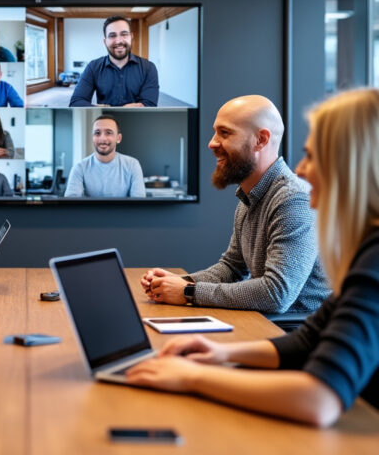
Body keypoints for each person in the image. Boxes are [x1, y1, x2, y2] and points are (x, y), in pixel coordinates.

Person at [126, 88, 379, 426]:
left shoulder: (301, 204)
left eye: (313, 156)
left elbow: (318, 398)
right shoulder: (365, 250)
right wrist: (219, 352)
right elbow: (307, 340)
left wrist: (192, 375)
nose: (301, 169)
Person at [140, 95, 330, 313]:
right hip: (268, 323)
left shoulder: (294, 199)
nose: (212, 143)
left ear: (261, 140)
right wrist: (178, 283)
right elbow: (231, 268)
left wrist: (188, 291)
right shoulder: (250, 197)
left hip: (296, 328)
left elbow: (276, 294)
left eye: (224, 133)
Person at [69, 16, 159, 107]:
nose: (119, 41)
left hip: (133, 118)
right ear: (105, 41)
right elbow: (76, 103)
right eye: (112, 36)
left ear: (131, 37)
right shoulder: (93, 67)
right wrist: (98, 109)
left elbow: (150, 105)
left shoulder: (148, 68)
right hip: (104, 116)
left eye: (124, 34)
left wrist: (122, 110)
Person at [64, 115, 146, 198]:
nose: (102, 139)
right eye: (97, 133)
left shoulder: (132, 165)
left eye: (108, 133)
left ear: (118, 138)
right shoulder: (79, 168)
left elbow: (139, 202)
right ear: (92, 138)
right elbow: (70, 202)